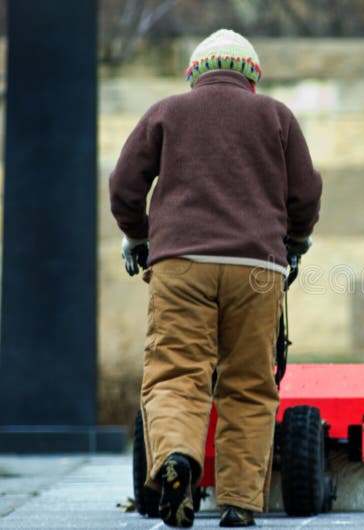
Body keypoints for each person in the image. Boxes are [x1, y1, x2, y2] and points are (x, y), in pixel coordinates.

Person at [109, 29, 322, 528]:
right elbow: (306, 195)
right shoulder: (276, 116)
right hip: (257, 270)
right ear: (252, 80)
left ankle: (179, 461)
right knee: (249, 384)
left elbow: (124, 185)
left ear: (194, 76)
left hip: (180, 265)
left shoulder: (166, 112)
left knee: (177, 374)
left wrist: (138, 237)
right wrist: (293, 243)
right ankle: (241, 502)